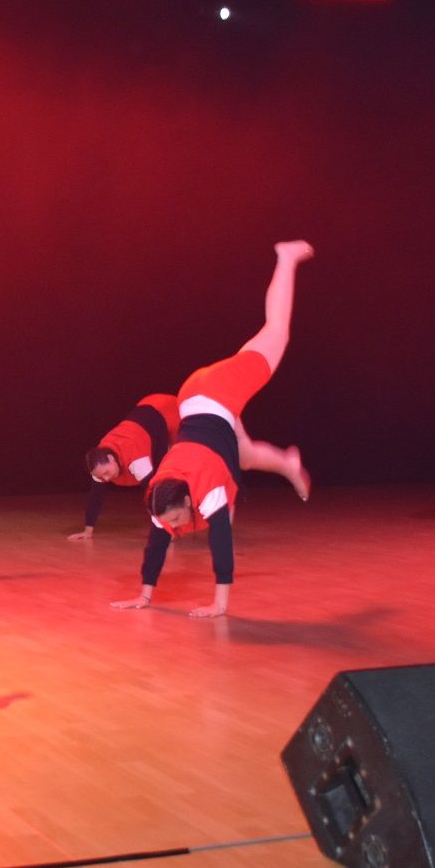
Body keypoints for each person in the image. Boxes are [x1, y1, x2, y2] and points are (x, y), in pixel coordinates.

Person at [110, 242, 314, 620]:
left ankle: (285, 258)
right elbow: (154, 545)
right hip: (199, 402)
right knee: (246, 456)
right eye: (169, 522)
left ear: (189, 501)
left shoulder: (208, 489)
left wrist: (219, 605)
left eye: (174, 519)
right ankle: (287, 463)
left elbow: (221, 542)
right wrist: (144, 596)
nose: (171, 527)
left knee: (277, 331)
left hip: (217, 393)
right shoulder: (160, 496)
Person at [71, 394, 181, 541]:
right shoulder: (98, 462)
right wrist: (88, 530)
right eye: (102, 476)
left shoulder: (136, 460)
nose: (106, 478)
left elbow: (154, 494)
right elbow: (95, 497)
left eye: (107, 473)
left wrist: (165, 529)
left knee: (163, 471)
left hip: (166, 412)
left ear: (111, 458)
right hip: (144, 409)